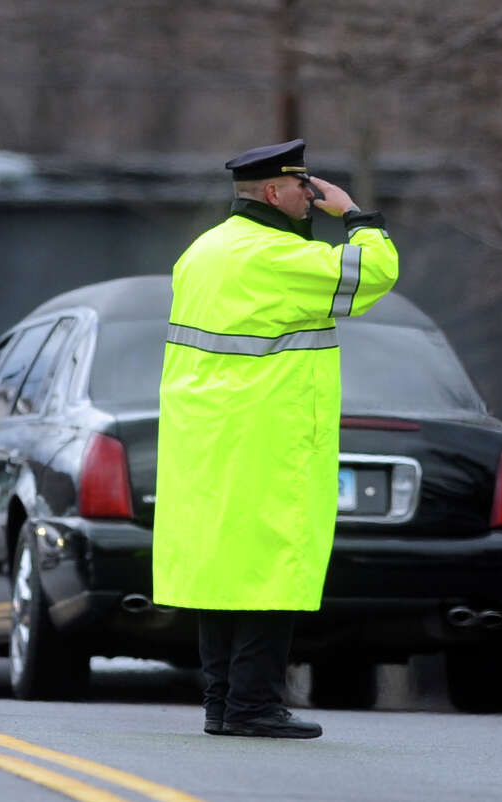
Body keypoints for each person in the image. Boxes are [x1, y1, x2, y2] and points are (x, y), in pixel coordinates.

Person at [152, 139, 399, 739]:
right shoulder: (277, 257)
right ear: (272, 193)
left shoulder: (203, 252)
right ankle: (254, 706)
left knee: (221, 575)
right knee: (270, 569)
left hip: (206, 438)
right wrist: (356, 216)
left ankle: (222, 703)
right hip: (267, 434)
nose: (310, 194)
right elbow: (375, 274)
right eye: (301, 186)